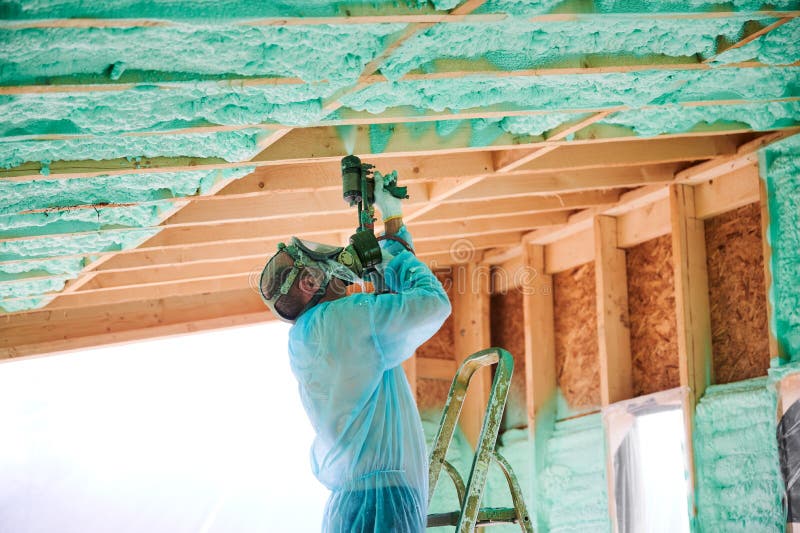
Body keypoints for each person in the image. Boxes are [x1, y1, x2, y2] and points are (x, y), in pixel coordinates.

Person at [258, 172, 451, 532]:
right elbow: (431, 304)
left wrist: (392, 224)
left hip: (349, 504)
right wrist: (391, 257)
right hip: (386, 500)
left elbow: (384, 310)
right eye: (318, 263)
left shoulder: (307, 335)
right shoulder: (345, 320)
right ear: (309, 282)